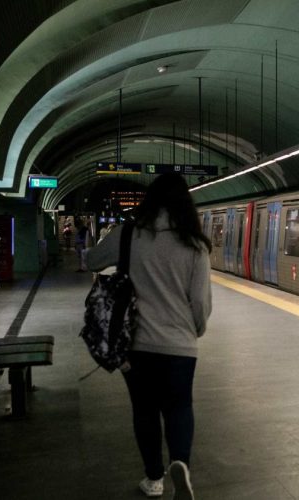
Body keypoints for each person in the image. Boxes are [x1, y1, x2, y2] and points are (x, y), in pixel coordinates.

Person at [87, 174, 211, 500]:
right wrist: (194, 330)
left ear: (150, 199)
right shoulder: (195, 245)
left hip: (136, 345)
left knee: (144, 410)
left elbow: (91, 260)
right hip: (181, 344)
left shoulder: (129, 234)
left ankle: (154, 479)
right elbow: (200, 302)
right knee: (180, 406)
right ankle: (180, 463)